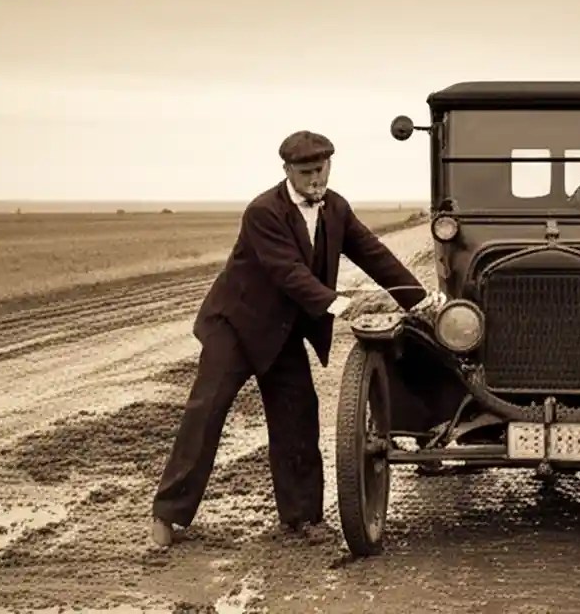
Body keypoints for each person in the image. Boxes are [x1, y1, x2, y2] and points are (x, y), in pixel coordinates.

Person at [149, 129, 431, 547]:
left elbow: (373, 254)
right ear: (287, 171)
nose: (316, 179)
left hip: (283, 333)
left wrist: (419, 301)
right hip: (237, 327)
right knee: (205, 415)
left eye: (321, 169)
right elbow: (289, 273)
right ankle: (167, 517)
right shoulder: (263, 211)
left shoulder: (336, 209)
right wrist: (338, 304)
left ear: (330, 166)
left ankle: (302, 520)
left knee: (298, 417)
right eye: (306, 172)